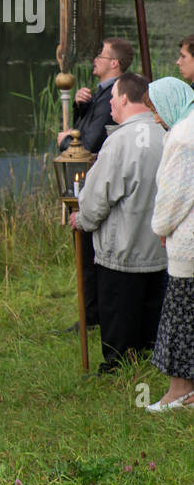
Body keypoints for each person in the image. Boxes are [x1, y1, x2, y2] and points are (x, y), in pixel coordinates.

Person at [70, 73, 166, 374]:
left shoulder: (119, 141)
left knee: (119, 313)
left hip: (122, 250)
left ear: (124, 98)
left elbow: (97, 197)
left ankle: (117, 365)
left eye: (113, 97)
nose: (109, 103)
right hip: (158, 250)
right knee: (151, 311)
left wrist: (81, 219)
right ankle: (151, 359)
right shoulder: (166, 133)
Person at [58, 38, 134, 333]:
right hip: (91, 179)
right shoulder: (99, 95)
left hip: (94, 179)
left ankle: (92, 316)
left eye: (100, 55)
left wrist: (64, 139)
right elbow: (84, 128)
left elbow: (88, 144)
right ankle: (92, 311)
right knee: (88, 249)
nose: (95, 60)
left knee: (90, 250)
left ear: (114, 63)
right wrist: (80, 107)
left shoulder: (113, 96)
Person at [147, 78, 194, 410]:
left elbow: (174, 197)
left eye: (155, 109)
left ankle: (179, 392)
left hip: (188, 247)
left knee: (180, 321)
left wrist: (159, 227)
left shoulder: (182, 138)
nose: (155, 118)